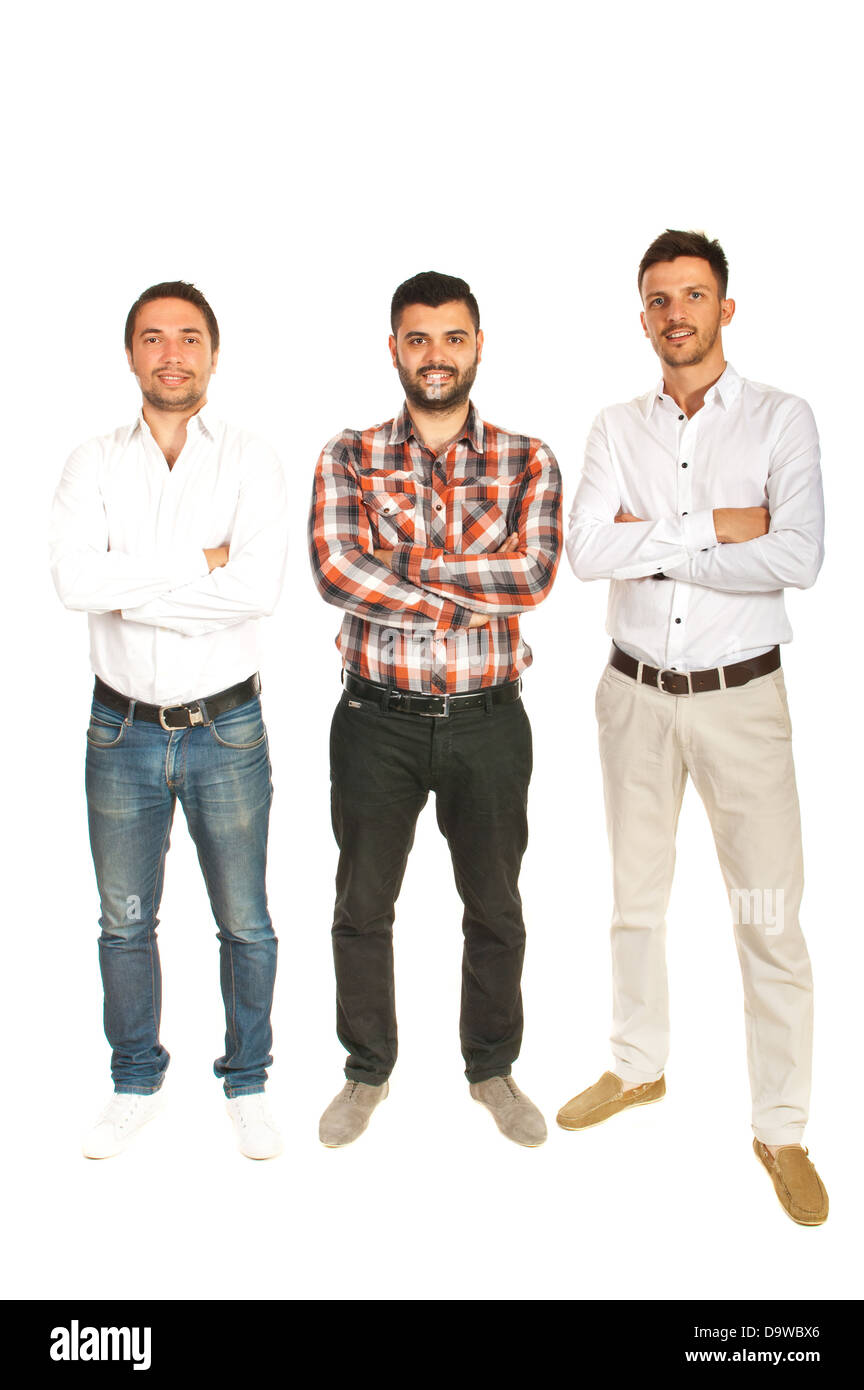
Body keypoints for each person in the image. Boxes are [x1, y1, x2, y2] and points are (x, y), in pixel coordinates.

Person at [558, 230, 827, 1224]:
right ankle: (637, 1065)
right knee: (635, 896)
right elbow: (588, 551)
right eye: (661, 298)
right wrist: (723, 526)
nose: (678, 312)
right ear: (643, 317)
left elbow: (798, 555)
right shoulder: (614, 425)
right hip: (632, 696)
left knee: (767, 916)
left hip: (741, 704)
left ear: (725, 308)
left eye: (695, 294)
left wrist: (657, 546)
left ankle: (783, 1127)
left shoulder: (780, 420)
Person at [309, 270, 562, 1147]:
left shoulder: (528, 458)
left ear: (478, 345)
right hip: (374, 720)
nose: (436, 355)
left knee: (495, 904)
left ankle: (491, 1068)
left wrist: (404, 571)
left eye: (452, 337)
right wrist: (461, 591)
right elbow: (335, 571)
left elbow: (532, 575)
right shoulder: (349, 454)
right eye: (418, 339)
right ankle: (365, 1070)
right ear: (394, 349)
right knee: (361, 904)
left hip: (489, 722)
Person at [50, 281, 288, 1160]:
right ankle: (134, 1078)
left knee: (246, 921)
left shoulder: (251, 461)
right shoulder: (93, 462)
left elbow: (256, 589)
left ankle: (250, 1081)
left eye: (189, 338)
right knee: (122, 920)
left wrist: (133, 583)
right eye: (154, 338)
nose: (172, 353)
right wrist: (202, 565)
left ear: (213, 355)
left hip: (227, 729)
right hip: (120, 731)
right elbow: (76, 583)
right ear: (131, 355)